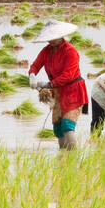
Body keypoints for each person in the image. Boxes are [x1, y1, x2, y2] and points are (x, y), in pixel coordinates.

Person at [28, 20, 88, 150]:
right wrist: (32, 75)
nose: (50, 41)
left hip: (73, 90)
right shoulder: (46, 51)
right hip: (57, 91)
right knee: (58, 127)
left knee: (67, 125)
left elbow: (69, 75)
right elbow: (35, 65)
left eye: (53, 38)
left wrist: (49, 84)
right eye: (48, 39)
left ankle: (72, 157)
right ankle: (62, 155)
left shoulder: (70, 51)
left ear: (61, 35)